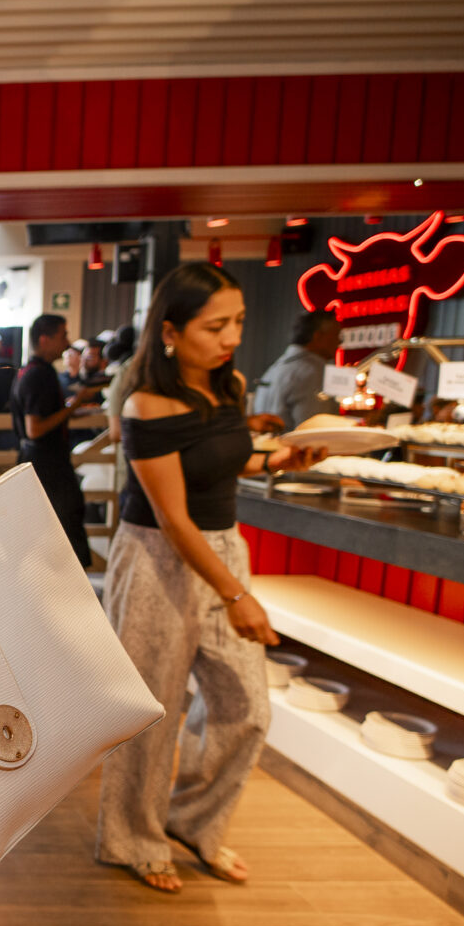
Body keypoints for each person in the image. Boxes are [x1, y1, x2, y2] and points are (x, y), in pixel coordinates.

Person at [99, 264, 322, 893]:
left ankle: (192, 820)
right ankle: (132, 838)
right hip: (156, 558)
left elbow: (220, 462)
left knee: (245, 706)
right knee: (152, 709)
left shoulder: (232, 387)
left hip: (223, 546)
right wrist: (238, 594)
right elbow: (173, 517)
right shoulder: (145, 403)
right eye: (215, 326)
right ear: (171, 331)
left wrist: (278, 458)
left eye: (239, 324)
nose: (230, 338)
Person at [13, 314, 102, 569]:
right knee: (59, 528)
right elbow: (35, 428)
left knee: (52, 529)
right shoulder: (38, 374)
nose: (67, 342)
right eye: (63, 335)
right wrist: (75, 404)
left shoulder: (29, 371)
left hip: (40, 462)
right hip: (46, 465)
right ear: (45, 338)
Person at [251, 309, 343, 429]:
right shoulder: (314, 372)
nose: (339, 342)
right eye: (336, 335)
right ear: (318, 337)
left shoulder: (276, 367)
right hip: (296, 446)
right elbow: (314, 431)